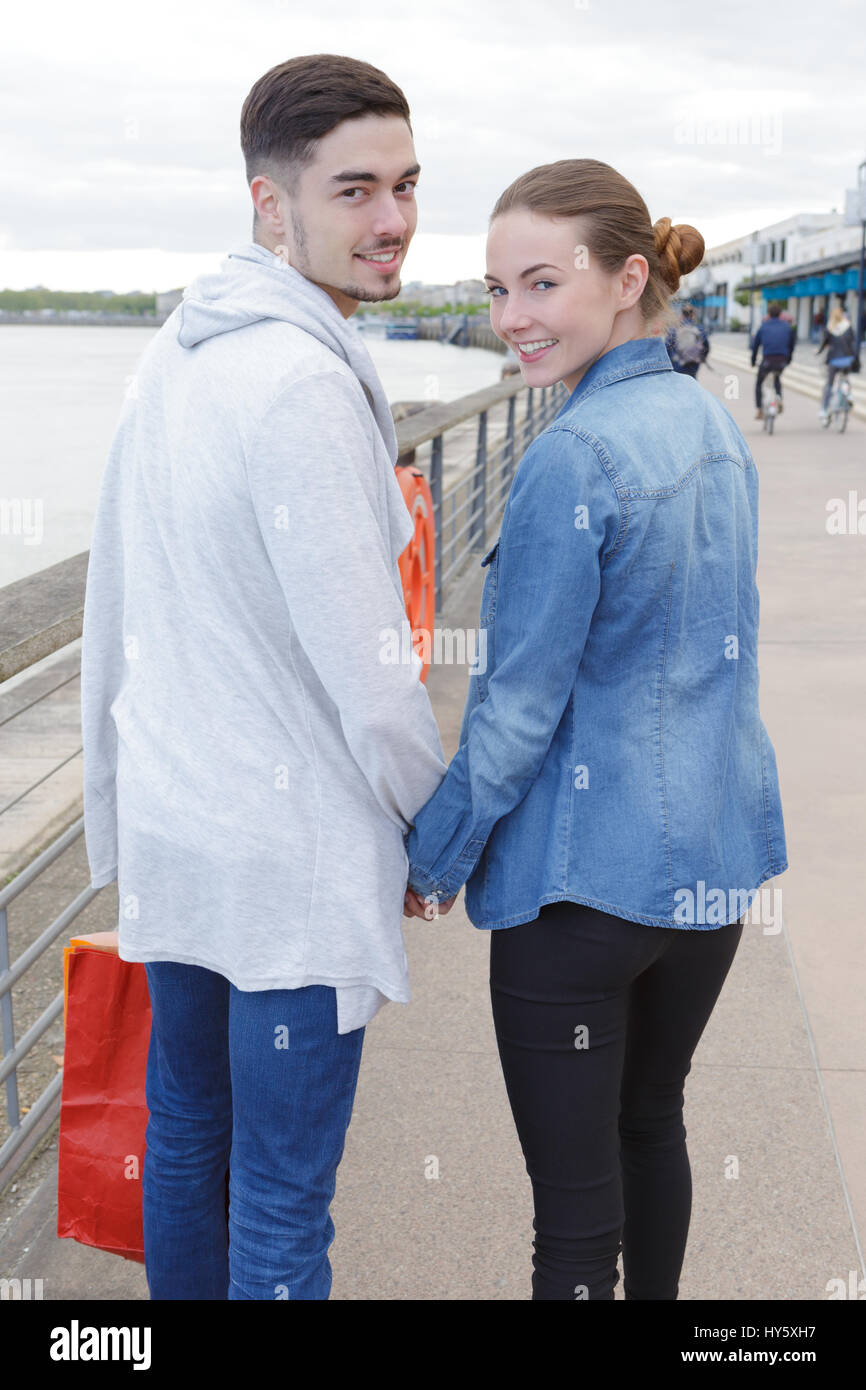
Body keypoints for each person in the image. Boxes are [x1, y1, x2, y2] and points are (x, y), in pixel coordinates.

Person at [80, 53, 457, 1301]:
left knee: (188, 1136)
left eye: (405, 184)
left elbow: (115, 600)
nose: (393, 219)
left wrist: (114, 809)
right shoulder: (299, 382)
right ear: (269, 203)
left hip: (182, 836)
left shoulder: (174, 357)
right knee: (283, 1196)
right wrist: (432, 830)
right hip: (285, 868)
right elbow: (372, 677)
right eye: (354, 190)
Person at [403, 158, 787, 1300]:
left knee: (573, 1225)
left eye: (540, 283)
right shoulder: (709, 425)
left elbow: (517, 711)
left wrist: (431, 858)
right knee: (650, 1124)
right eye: (495, 289)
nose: (510, 318)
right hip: (706, 873)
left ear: (626, 280)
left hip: (581, 892)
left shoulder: (572, 454)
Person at [815, 303, 860, 422]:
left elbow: (824, 344)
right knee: (845, 378)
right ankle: (848, 393)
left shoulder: (830, 328)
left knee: (829, 384)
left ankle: (823, 410)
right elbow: (853, 343)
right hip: (847, 360)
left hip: (834, 360)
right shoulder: (848, 327)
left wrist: (818, 352)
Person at [750, 301, 795, 418]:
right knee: (777, 378)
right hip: (782, 360)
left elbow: (755, 346)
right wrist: (788, 360)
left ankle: (759, 409)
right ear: (780, 314)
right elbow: (791, 346)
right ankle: (779, 397)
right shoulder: (787, 327)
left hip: (767, 360)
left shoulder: (763, 327)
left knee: (759, 383)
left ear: (769, 314)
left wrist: (753, 361)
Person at [664, 302, 709, 377]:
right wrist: (700, 358)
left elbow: (667, 348)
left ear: (682, 315)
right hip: (693, 365)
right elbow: (706, 347)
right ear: (693, 315)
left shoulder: (674, 330)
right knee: (692, 381)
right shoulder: (699, 329)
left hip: (677, 365)